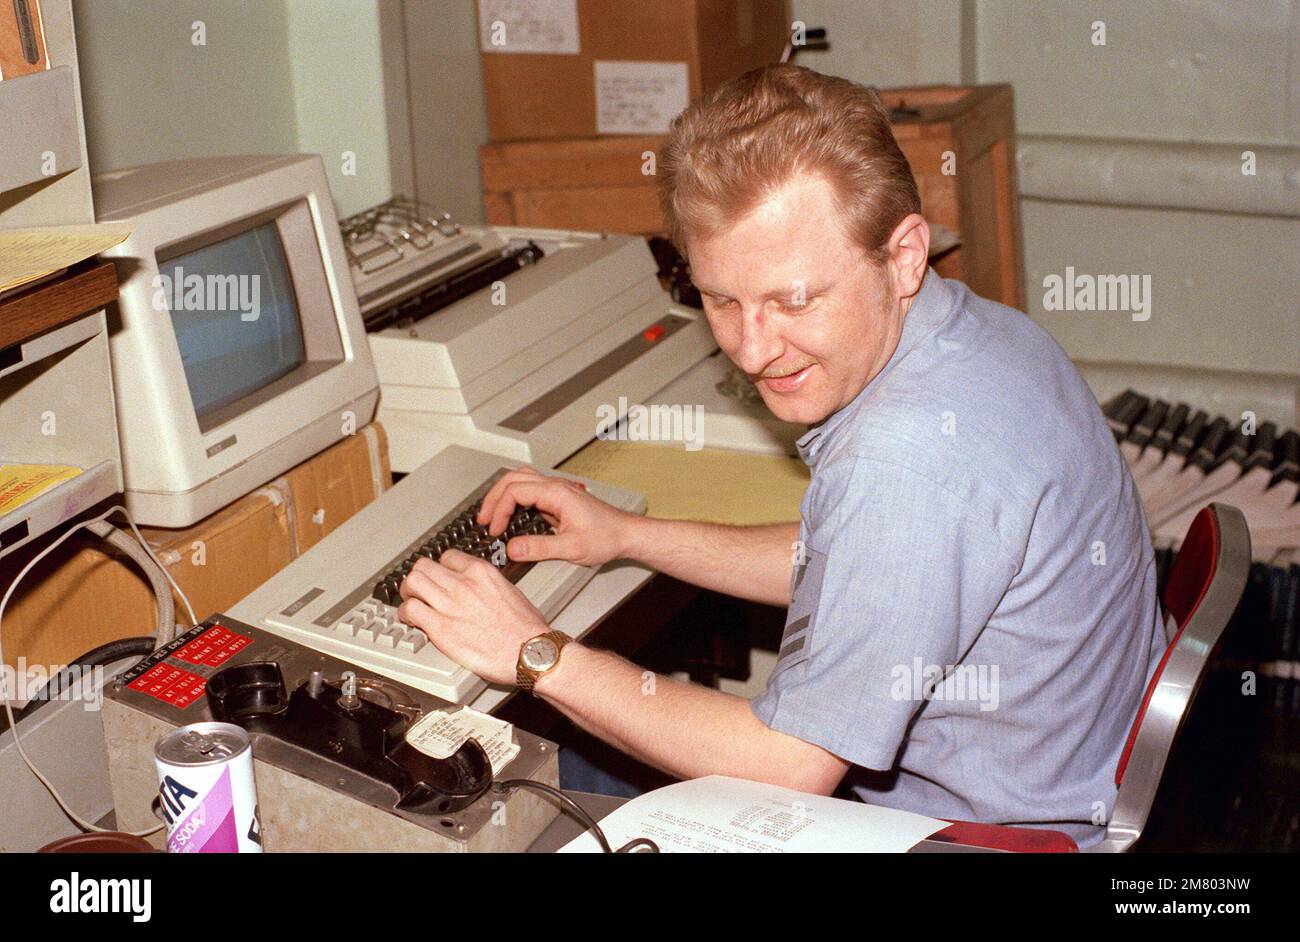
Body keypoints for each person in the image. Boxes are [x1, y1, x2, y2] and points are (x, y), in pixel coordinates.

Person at [397, 64, 1165, 848]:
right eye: (721, 300)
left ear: (902, 255)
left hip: (988, 841)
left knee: (513, 803)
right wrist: (628, 537)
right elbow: (849, 561)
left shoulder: (906, 461)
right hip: (1058, 786)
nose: (753, 351)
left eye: (793, 300)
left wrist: (534, 654)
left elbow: (787, 767)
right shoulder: (983, 335)